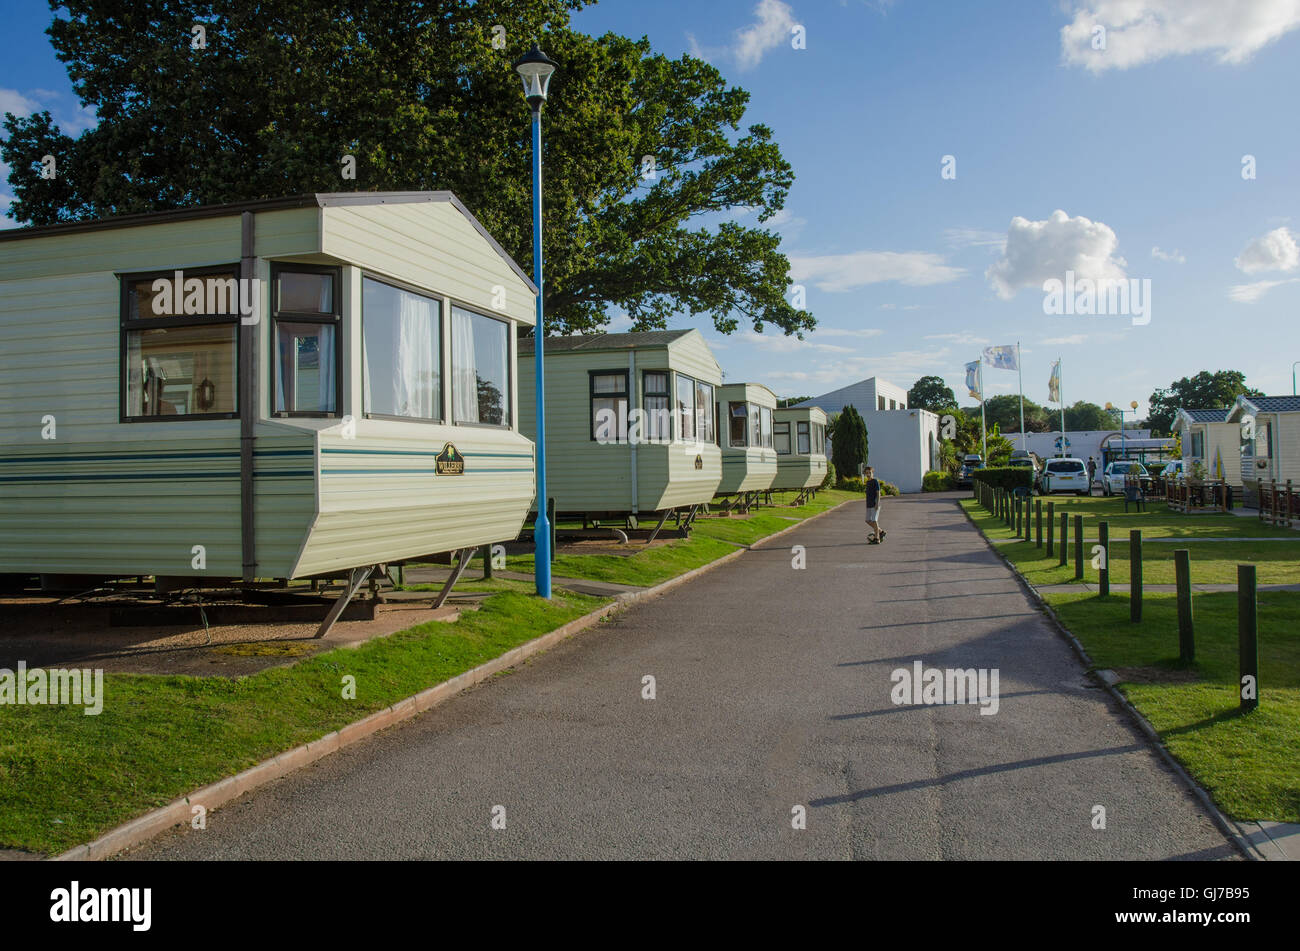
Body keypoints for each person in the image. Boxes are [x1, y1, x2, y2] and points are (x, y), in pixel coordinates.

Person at [864, 466, 885, 543]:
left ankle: (877, 538)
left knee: (874, 520)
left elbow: (878, 493)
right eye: (866, 473)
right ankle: (880, 531)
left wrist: (877, 503)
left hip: (875, 504)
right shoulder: (868, 482)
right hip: (868, 505)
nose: (868, 474)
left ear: (872, 473)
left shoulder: (875, 481)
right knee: (867, 520)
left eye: (870, 473)